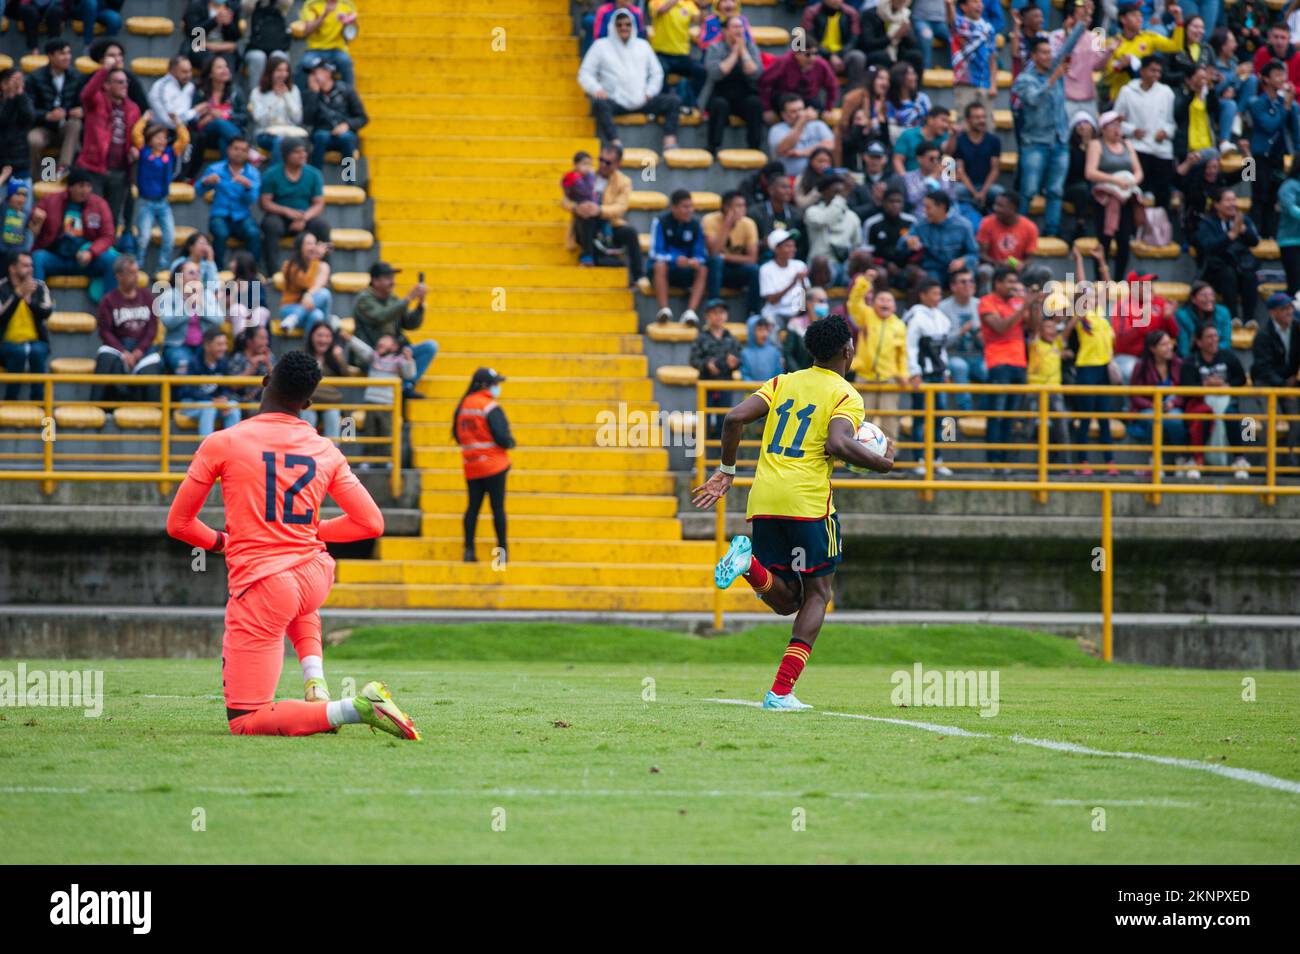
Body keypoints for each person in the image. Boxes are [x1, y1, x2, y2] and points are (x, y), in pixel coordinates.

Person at [165, 350, 419, 739]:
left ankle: (357, 707)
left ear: (265, 381)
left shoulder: (223, 442)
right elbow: (371, 523)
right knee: (294, 586)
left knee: (246, 720)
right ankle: (314, 678)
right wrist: (314, 531)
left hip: (268, 583)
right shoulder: (325, 449)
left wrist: (221, 543)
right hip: (314, 574)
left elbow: (179, 524)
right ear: (308, 403)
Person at [692, 315, 895, 711]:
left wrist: (726, 471)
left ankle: (748, 563)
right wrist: (883, 464)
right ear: (847, 351)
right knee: (819, 593)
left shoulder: (782, 382)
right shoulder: (846, 395)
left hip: (764, 500)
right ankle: (781, 692)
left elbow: (733, 418)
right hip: (808, 504)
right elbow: (838, 443)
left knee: (787, 601)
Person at [1011, 23, 1086, 240]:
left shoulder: (1056, 69)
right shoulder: (1024, 79)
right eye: (1043, 53)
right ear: (1033, 56)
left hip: (1059, 140)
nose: (1048, 56)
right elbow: (1034, 99)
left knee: (1056, 191)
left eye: (1049, 52)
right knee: (1029, 191)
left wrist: (1084, 24)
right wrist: (1053, 81)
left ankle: (1052, 232)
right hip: (1035, 141)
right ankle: (1020, 231)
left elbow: (1067, 48)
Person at [578, 9, 682, 150]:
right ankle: (615, 144)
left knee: (673, 101)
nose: (623, 28)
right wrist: (596, 89)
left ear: (632, 26)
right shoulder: (600, 46)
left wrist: (650, 92)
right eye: (619, 25)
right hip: (615, 100)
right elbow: (585, 73)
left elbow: (657, 73)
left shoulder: (643, 45)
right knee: (599, 104)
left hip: (642, 100)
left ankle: (670, 141)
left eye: (627, 24)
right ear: (613, 26)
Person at [1064, 244, 1118, 476]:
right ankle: (1082, 461)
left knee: (1104, 417)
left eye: (1096, 297)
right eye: (1090, 297)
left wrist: (1101, 261)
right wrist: (1078, 260)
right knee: (1085, 418)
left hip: (1103, 370)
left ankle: (1109, 461)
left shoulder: (1101, 315)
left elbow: (1106, 287)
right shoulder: (1082, 316)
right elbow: (1082, 285)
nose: (1094, 298)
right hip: (1086, 369)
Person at [453, 367, 514, 565]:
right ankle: (502, 553)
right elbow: (503, 437)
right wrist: (511, 443)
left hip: (471, 466)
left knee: (473, 507)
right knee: (497, 509)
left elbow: (457, 434)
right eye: (496, 383)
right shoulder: (489, 406)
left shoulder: (464, 405)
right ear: (486, 385)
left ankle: (468, 550)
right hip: (494, 466)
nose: (498, 387)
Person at [979, 267, 1039, 467]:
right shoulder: (986, 302)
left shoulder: (1018, 302)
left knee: (1012, 415)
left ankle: (1006, 461)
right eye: (1010, 282)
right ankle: (993, 462)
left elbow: (1034, 328)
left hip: (1019, 363)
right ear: (997, 283)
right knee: (997, 413)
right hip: (998, 363)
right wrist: (1024, 307)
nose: (1014, 286)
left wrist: (1035, 305)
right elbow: (1001, 327)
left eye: (1015, 282)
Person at [30, 169, 117, 303]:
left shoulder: (99, 204)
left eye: (88, 186)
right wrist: (36, 217)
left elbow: (108, 236)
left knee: (112, 260)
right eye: (81, 186)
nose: (85, 190)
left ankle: (108, 308)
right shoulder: (51, 200)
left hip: (84, 260)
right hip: (58, 258)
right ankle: (38, 303)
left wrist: (91, 252)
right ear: (70, 187)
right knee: (38, 258)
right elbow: (34, 217)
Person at [353, 261, 435, 398]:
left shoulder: (393, 298)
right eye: (387, 278)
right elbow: (381, 316)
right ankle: (401, 388)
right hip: (373, 355)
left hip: (395, 354)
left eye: (392, 277)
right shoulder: (364, 299)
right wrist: (409, 298)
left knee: (430, 347)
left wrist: (420, 304)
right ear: (375, 281)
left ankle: (406, 387)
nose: (392, 282)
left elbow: (410, 324)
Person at [74, 61, 139, 232]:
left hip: (120, 171)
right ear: (107, 85)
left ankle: (107, 252)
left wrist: (135, 148)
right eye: (119, 82)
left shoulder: (133, 108)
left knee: (112, 217)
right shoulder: (96, 102)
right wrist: (104, 70)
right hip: (94, 168)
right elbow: (85, 95)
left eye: (126, 82)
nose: (125, 85)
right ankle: (89, 250)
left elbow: (135, 136)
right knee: (92, 215)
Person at [1180, 323, 1251, 480]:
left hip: (1227, 400)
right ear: (1199, 342)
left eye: (1216, 336)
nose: (1214, 340)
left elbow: (1241, 378)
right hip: (1200, 403)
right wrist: (1204, 386)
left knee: (1234, 416)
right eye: (1209, 337)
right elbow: (1185, 387)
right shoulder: (1190, 361)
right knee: (1202, 417)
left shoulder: (1228, 356)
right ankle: (1196, 459)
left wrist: (1226, 385)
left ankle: (1239, 459)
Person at [91, 255, 161, 401]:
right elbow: (105, 331)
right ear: (119, 276)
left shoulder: (148, 296)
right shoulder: (108, 300)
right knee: (105, 358)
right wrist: (123, 352)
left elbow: (152, 329)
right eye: (131, 273)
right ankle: (95, 408)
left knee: (153, 371)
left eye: (137, 272)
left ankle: (156, 415)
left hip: (143, 348)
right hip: (118, 347)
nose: (136, 277)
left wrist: (139, 350)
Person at [258, 138, 331, 278]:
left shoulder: (314, 174)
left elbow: (319, 203)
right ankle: (273, 273)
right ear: (286, 155)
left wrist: (304, 217)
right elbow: (265, 203)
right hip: (280, 216)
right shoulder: (272, 174)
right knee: (271, 225)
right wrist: (287, 212)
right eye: (297, 152)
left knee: (323, 226)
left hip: (305, 216)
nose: (302, 155)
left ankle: (324, 272)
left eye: (304, 151)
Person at [904, 278, 956, 475]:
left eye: (939, 294)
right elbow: (910, 348)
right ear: (923, 295)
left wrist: (947, 371)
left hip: (938, 374)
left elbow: (942, 351)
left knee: (941, 417)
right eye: (934, 294)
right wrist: (914, 372)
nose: (937, 297)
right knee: (920, 417)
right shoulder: (915, 317)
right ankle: (919, 458)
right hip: (922, 375)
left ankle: (936, 458)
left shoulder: (942, 318)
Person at [1086, 110, 1144, 279]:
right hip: (1105, 198)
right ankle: (1100, 280)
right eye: (1113, 126)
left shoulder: (1127, 145)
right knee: (1104, 239)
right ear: (1103, 128)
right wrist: (1114, 181)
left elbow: (1138, 171)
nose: (1117, 129)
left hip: (1126, 197)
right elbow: (1090, 172)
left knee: (1124, 241)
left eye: (1119, 125)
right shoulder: (1097, 145)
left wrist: (1133, 182)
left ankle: (1118, 280)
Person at [1128, 329, 1193, 476]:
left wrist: (1173, 403)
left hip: (1171, 407)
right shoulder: (1141, 366)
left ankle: (1180, 457)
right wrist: (1152, 405)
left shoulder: (1178, 364)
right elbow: (1134, 394)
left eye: (1169, 343)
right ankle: (1156, 461)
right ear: (1153, 349)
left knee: (1175, 421)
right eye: (1164, 344)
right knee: (1153, 419)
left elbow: (1184, 391)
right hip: (1148, 407)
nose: (1169, 347)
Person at [1247, 61, 1300, 239]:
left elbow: (1295, 129)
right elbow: (1269, 126)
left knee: (1273, 196)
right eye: (1277, 74)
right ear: (1265, 79)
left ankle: (1269, 234)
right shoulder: (1256, 102)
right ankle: (1253, 234)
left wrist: (1291, 107)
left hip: (1278, 155)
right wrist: (1285, 107)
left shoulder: (1287, 103)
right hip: (1257, 157)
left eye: (1283, 74)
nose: (1282, 79)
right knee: (1258, 194)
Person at [1114, 56, 1176, 208]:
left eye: (1158, 71)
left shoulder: (1166, 92)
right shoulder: (1127, 91)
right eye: (1152, 70)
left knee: (1163, 196)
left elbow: (1171, 123)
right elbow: (1116, 121)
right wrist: (1132, 130)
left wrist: (1165, 132)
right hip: (1137, 147)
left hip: (1161, 149)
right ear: (1142, 71)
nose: (1156, 75)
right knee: (1137, 194)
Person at [1194, 187, 1260, 329]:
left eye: (1233, 200)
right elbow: (1207, 246)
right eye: (1227, 200)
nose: (1232, 204)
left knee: (1250, 275)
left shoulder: (1242, 220)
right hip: (1217, 269)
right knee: (1227, 273)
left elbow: (1255, 242)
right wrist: (1230, 236)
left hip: (1240, 266)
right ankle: (1233, 317)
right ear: (1217, 204)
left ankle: (1249, 319)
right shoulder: (1208, 223)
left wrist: (1243, 230)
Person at [131, 114, 188, 274]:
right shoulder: (144, 152)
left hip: (163, 202)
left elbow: (184, 139)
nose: (162, 141)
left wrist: (177, 122)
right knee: (143, 237)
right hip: (146, 202)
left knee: (169, 237)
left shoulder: (169, 153)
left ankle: (163, 266)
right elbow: (136, 134)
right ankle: (138, 263)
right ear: (150, 140)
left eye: (164, 138)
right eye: (158, 138)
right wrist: (144, 119)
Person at [701, 14, 763, 155]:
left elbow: (756, 73)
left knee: (755, 103)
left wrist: (744, 52)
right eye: (735, 27)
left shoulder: (751, 47)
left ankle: (754, 147)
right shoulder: (715, 48)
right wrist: (735, 53)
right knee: (719, 104)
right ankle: (713, 147)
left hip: (743, 95)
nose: (739, 30)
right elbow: (716, 73)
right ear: (725, 31)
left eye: (741, 27)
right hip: (720, 93)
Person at [1251, 292, 1300, 465]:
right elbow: (1262, 368)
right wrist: (1283, 384)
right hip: (1267, 383)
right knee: (1267, 421)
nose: (1288, 312)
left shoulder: (1297, 328)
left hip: (1288, 382)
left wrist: (1293, 381)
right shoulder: (1263, 335)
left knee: (1296, 419)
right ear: (1273, 313)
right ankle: (1266, 463)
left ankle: (1291, 459)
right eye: (1283, 308)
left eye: (1289, 308)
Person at [198, 137, 262, 270]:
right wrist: (205, 182)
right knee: (220, 233)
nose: (239, 152)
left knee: (254, 234)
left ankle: (251, 272)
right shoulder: (215, 168)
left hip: (242, 216)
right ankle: (216, 271)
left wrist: (247, 186)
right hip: (220, 215)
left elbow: (252, 200)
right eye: (236, 148)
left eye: (243, 150)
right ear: (228, 150)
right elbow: (198, 191)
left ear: (248, 153)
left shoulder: (253, 173)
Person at [26, 39, 83, 181]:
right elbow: (28, 109)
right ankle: (38, 178)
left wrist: (81, 110)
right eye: (62, 53)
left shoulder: (76, 76)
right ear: (50, 56)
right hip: (44, 127)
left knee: (75, 124)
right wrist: (47, 115)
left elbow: (85, 102)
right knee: (34, 140)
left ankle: (63, 168)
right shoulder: (35, 77)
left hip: (66, 128)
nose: (67, 57)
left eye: (69, 53)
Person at [0, 251, 54, 400]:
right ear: (12, 268)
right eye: (25, 265)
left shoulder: (40, 287)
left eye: (31, 265)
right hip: (6, 345)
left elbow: (47, 312)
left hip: (36, 342)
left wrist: (30, 302)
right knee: (18, 352)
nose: (30, 269)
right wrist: (17, 296)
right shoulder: (1, 288)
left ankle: (39, 402)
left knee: (36, 351)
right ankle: (11, 400)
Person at [649, 189, 707, 324]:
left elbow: (701, 254)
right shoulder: (660, 222)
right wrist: (675, 259)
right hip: (665, 269)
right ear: (673, 208)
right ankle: (664, 310)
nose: (689, 210)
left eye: (691, 206)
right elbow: (654, 252)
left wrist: (695, 261)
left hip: (685, 270)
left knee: (703, 269)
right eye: (685, 207)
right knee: (659, 265)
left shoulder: (696, 225)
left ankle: (690, 313)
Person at [702, 191, 761, 316]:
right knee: (716, 261)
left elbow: (752, 259)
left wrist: (725, 257)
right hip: (712, 272)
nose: (743, 209)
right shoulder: (709, 220)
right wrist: (727, 225)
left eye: (744, 205)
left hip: (733, 271)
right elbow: (714, 253)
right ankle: (714, 305)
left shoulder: (748, 224)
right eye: (738, 206)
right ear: (726, 207)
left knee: (754, 270)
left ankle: (753, 313)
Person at [160, 258, 223, 375]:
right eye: (191, 272)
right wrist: (188, 304)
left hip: (204, 345)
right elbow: (168, 322)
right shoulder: (169, 295)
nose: (196, 275)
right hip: (177, 345)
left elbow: (219, 320)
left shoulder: (206, 295)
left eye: (198, 272)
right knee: (184, 364)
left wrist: (201, 304)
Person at [692, 297, 743, 436]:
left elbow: (740, 360)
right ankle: (703, 453)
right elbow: (693, 359)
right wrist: (706, 365)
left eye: (721, 312)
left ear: (726, 315)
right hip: (706, 383)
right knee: (704, 420)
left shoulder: (732, 339)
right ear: (707, 316)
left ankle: (723, 454)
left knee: (725, 420)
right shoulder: (701, 338)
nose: (718, 316)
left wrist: (735, 363)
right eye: (714, 313)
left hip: (725, 384)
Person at [302, 60, 366, 169]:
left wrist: (347, 125)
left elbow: (362, 118)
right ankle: (316, 179)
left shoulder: (346, 90)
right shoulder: (309, 94)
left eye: (315, 73)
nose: (312, 77)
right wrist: (314, 94)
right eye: (311, 74)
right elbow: (307, 120)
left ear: (327, 73)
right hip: (321, 135)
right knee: (320, 136)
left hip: (343, 134)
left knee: (347, 138)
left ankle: (349, 180)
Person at [179, 327, 241, 437]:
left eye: (225, 344)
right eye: (219, 344)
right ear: (207, 346)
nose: (224, 348)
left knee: (233, 407)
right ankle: (205, 452)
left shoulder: (223, 363)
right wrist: (212, 400)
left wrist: (224, 399)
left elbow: (226, 388)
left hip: (214, 404)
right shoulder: (193, 363)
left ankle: (231, 451)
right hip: (191, 404)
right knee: (209, 408)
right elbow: (188, 391)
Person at [941, 267, 985, 412]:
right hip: (953, 355)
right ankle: (965, 411)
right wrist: (961, 331)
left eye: (971, 281)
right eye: (963, 282)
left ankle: (989, 411)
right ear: (953, 286)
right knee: (960, 367)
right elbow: (941, 343)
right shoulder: (943, 308)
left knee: (989, 370)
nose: (968, 285)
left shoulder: (981, 305)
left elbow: (988, 342)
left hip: (977, 356)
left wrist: (981, 336)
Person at [249, 52, 303, 165]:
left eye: (286, 70)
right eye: (279, 70)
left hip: (289, 133)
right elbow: (260, 120)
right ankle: (275, 179)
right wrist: (275, 100)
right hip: (265, 134)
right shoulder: (257, 92)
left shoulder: (294, 90)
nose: (283, 74)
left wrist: (286, 96)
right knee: (279, 141)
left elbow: (297, 119)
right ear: (270, 72)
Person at [801, 0, 867, 90]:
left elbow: (853, 39)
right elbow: (809, 39)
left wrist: (838, 55)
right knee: (808, 56)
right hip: (819, 54)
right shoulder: (811, 12)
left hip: (842, 55)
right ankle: (811, 92)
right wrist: (830, 56)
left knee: (858, 57)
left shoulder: (851, 13)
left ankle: (852, 93)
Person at [299, 321, 349, 439]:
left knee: (333, 414)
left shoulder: (335, 357)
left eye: (327, 336)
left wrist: (340, 358)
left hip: (331, 403)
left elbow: (346, 377)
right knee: (307, 415)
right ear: (311, 336)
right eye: (320, 335)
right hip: (309, 403)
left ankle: (332, 454)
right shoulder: (302, 355)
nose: (323, 340)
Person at [768, 94, 835, 178]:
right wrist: (801, 122)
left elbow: (830, 145)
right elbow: (782, 149)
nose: (799, 114)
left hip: (821, 176)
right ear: (784, 115)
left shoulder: (818, 125)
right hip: (791, 179)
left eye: (801, 109)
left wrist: (802, 153)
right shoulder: (777, 130)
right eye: (793, 111)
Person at [279, 232, 333, 335]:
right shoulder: (288, 266)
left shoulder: (322, 266)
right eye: (308, 244)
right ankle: (294, 316)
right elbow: (304, 282)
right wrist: (317, 257)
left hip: (311, 308)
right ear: (300, 247)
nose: (313, 247)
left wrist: (308, 295)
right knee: (324, 296)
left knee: (317, 314)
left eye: (314, 243)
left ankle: (295, 318)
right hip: (289, 308)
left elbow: (319, 284)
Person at [296, 0, 358, 90]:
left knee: (346, 62)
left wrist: (348, 24)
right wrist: (324, 15)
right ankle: (298, 99)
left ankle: (350, 97)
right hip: (315, 49)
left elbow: (349, 36)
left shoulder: (347, 5)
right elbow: (307, 31)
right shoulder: (311, 4)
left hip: (337, 49)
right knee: (304, 63)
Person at [757, 228, 809, 330]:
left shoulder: (799, 265)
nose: (793, 249)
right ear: (776, 249)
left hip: (796, 314)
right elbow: (771, 300)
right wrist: (793, 283)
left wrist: (802, 281)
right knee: (770, 326)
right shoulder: (766, 269)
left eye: (793, 246)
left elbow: (805, 301)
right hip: (775, 314)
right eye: (788, 246)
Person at [1174, 280, 1233, 358]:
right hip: (1193, 357)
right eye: (1204, 295)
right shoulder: (1182, 316)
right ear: (1193, 299)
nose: (1209, 299)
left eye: (1212, 295)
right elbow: (1184, 347)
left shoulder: (1223, 312)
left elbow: (1226, 342)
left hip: (1218, 355)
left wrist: (1209, 351)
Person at [741, 314, 783, 380]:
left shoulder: (774, 352)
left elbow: (778, 374)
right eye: (759, 329)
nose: (764, 334)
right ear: (752, 332)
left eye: (766, 329)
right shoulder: (745, 353)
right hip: (751, 389)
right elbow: (745, 375)